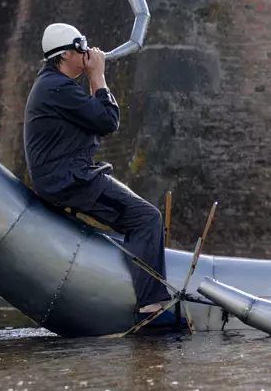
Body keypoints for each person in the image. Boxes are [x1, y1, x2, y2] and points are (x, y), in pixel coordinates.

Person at [23, 23, 178, 327]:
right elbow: (108, 120)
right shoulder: (58, 87)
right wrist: (98, 76)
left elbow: (98, 121)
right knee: (146, 218)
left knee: (140, 216)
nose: (88, 53)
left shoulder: (53, 85)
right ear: (67, 54)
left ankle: (141, 283)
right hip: (70, 180)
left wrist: (95, 82)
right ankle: (150, 308)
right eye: (82, 48)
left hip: (69, 176)